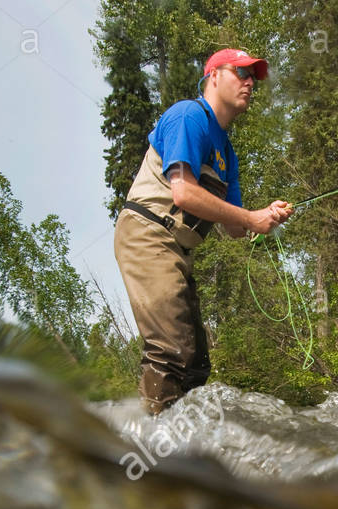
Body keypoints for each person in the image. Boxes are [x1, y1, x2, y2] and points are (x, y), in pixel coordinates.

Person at [113, 48, 294, 415]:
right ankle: (155, 449)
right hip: (148, 234)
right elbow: (183, 192)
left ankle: (179, 441)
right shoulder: (188, 116)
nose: (250, 83)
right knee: (170, 350)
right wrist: (250, 217)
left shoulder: (227, 153)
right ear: (213, 76)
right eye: (241, 72)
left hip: (175, 249)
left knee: (195, 363)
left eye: (254, 78)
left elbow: (234, 229)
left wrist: (266, 217)